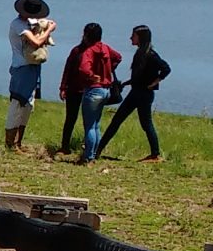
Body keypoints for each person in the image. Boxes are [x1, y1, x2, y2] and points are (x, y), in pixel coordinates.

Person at [92, 24, 171, 162]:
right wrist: (126, 83)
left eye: (133, 35)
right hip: (137, 92)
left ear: (140, 37)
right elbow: (140, 77)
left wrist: (153, 84)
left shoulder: (151, 55)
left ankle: (97, 151)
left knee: (121, 121)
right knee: (139, 123)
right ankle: (154, 154)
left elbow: (166, 69)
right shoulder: (141, 53)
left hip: (142, 94)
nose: (130, 38)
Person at [54, 22, 120, 158]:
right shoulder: (78, 51)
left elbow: (116, 58)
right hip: (76, 89)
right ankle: (67, 146)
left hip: (90, 89)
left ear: (86, 35)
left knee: (91, 124)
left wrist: (99, 73)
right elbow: (68, 69)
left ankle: (88, 152)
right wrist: (63, 87)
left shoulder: (91, 51)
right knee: (77, 120)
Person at [3, 0, 54, 151]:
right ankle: (10, 143)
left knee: (28, 105)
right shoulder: (18, 25)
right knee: (18, 103)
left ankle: (18, 142)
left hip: (32, 66)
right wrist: (49, 30)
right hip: (22, 67)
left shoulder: (29, 23)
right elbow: (36, 42)